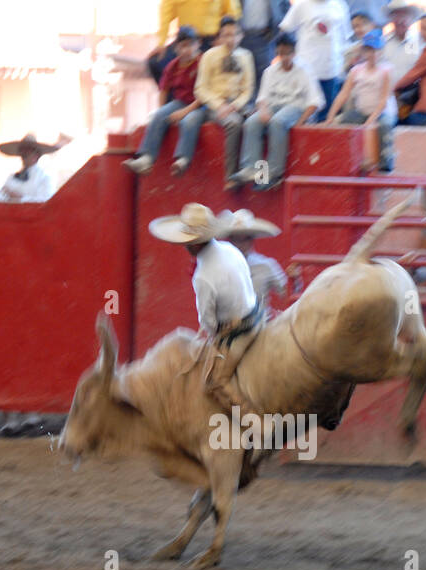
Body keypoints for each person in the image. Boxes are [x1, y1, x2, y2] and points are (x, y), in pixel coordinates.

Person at [149, 203, 261, 415]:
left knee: (214, 381)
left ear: (194, 244)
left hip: (239, 332)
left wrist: (214, 337)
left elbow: (208, 323)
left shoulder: (203, 276)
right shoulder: (230, 250)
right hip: (257, 315)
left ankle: (256, 424)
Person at [236, 32, 324, 189]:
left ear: (294, 53)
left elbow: (315, 102)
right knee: (252, 123)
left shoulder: (304, 70)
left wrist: (301, 121)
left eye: (287, 53)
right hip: (274, 107)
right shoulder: (270, 71)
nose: (284, 57)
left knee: (277, 122)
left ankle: (274, 171)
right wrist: (262, 111)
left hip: (296, 107)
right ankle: (254, 169)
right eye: (280, 53)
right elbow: (262, 98)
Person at [124, 26, 207, 176]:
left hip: (201, 105)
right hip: (180, 102)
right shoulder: (173, 66)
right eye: (182, 46)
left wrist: (183, 113)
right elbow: (164, 90)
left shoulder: (203, 63)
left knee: (189, 121)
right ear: (176, 48)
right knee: (159, 115)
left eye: (189, 45)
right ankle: (147, 158)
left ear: (198, 44)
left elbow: (205, 94)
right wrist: (164, 112)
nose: (185, 50)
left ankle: (183, 160)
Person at [194, 16, 256, 187]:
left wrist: (235, 105)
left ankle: (259, 175)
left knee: (258, 122)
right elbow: (200, 89)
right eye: (226, 35)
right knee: (234, 123)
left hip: (239, 104)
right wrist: (220, 106)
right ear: (220, 37)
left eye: (234, 34)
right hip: (216, 105)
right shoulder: (209, 56)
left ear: (241, 35)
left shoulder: (246, 56)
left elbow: (248, 89)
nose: (231, 39)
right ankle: (231, 177)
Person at [326, 31, 397, 171]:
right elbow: (343, 94)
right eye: (369, 50)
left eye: (376, 50)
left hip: (382, 113)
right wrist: (331, 116)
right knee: (338, 122)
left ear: (381, 51)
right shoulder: (356, 70)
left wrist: (371, 120)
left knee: (385, 126)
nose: (372, 54)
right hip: (361, 112)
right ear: (364, 51)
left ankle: (386, 164)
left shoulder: (386, 71)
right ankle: (339, 161)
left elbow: (384, 100)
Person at [279, 0, 352, 120]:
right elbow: (285, 31)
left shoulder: (340, 5)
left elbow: (346, 38)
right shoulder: (301, 5)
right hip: (305, 73)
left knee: (327, 119)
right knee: (303, 118)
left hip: (332, 71)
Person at [220, 209, 291, 313]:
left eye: (245, 239)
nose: (240, 245)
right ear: (230, 241)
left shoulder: (266, 265)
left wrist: (294, 280)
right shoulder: (218, 266)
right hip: (227, 324)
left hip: (262, 324)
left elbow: (287, 294)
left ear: (251, 241)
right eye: (236, 239)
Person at [238, 0, 291, 97]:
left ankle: (259, 108)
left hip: (264, 38)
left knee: (263, 78)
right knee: (240, 75)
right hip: (239, 38)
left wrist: (278, 31)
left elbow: (286, 8)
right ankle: (244, 108)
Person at [0, 133, 69, 202]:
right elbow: (0, 197)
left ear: (37, 155)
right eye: (22, 151)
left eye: (28, 152)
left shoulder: (45, 177)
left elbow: (46, 200)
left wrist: (21, 198)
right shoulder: (12, 178)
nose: (24, 155)